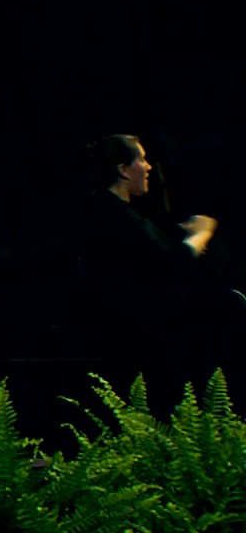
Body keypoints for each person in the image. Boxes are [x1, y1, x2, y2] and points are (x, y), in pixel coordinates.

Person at [79, 134, 220, 412]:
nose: (148, 167)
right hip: (142, 340)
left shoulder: (117, 212)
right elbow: (168, 262)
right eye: (141, 159)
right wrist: (201, 235)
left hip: (148, 336)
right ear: (123, 169)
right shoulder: (112, 214)